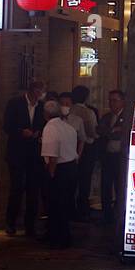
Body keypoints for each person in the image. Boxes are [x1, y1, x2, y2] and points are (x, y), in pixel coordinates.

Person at [2, 79, 46, 237]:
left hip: (35, 153)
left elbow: (44, 125)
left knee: (33, 190)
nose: (41, 94)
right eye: (39, 91)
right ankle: (10, 222)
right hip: (17, 152)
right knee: (16, 188)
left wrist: (38, 133)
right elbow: (6, 125)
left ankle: (30, 226)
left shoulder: (42, 107)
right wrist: (21, 132)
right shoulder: (15, 103)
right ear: (33, 91)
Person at [40, 99, 79, 248]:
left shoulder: (50, 128)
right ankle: (63, 236)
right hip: (71, 168)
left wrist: (50, 175)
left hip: (59, 169)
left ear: (46, 114)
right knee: (64, 205)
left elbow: (52, 155)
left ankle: (57, 238)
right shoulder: (68, 127)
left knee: (54, 205)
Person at [97, 90, 128, 224]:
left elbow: (121, 135)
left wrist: (112, 132)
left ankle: (119, 214)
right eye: (110, 100)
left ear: (122, 102)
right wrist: (112, 132)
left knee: (120, 186)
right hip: (107, 156)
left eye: (115, 100)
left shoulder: (126, 117)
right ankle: (106, 215)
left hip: (120, 157)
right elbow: (101, 131)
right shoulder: (106, 117)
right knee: (105, 186)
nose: (111, 103)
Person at [68, 85, 99, 219]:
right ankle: (83, 209)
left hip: (69, 147)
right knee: (85, 180)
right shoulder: (89, 112)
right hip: (87, 147)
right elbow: (93, 131)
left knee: (71, 180)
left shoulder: (69, 111)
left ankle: (70, 208)